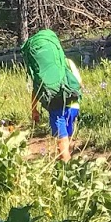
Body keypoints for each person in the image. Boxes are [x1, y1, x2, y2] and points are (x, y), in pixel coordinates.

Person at [19, 28, 82, 162]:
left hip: (56, 106)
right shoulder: (67, 62)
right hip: (73, 104)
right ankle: (69, 162)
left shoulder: (42, 71)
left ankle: (67, 171)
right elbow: (79, 82)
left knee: (62, 141)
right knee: (67, 138)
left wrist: (34, 110)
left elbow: (37, 89)